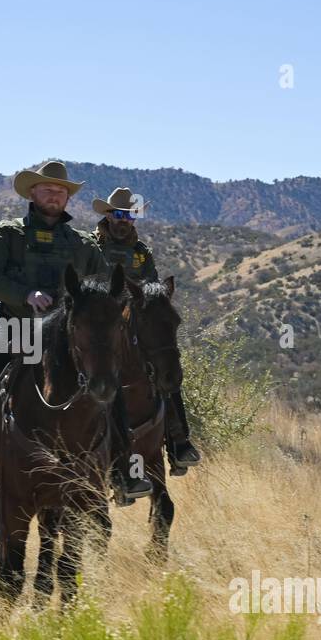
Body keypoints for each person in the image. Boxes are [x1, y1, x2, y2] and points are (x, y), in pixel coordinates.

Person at [0, 161, 153, 504]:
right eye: (48, 189)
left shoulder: (82, 244)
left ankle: (123, 468)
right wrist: (25, 294)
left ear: (68, 198)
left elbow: (105, 284)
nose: (55, 196)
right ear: (32, 193)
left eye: (61, 191)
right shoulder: (8, 233)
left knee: (107, 384)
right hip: (17, 327)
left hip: (68, 338)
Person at [91, 186, 202, 474]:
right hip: (100, 323)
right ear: (108, 215)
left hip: (134, 325)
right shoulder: (92, 246)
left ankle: (179, 442)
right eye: (118, 214)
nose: (123, 220)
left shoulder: (142, 253)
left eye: (130, 215)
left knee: (164, 372)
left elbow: (151, 288)